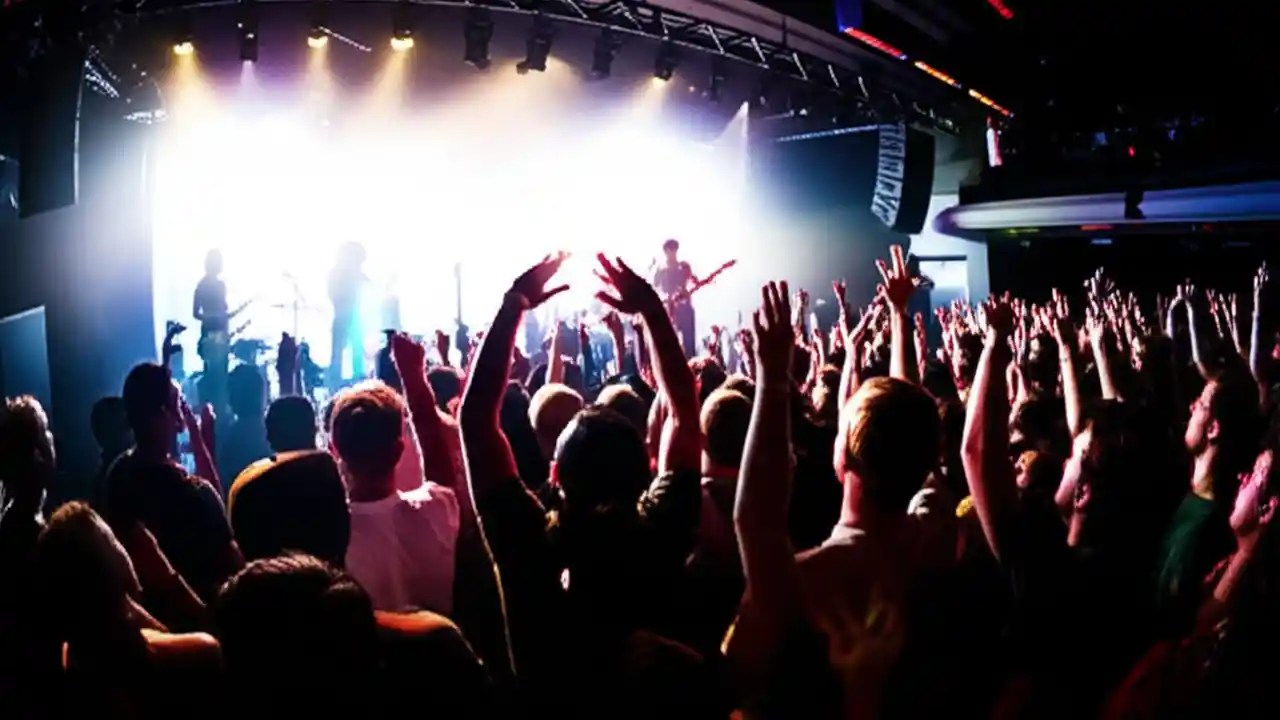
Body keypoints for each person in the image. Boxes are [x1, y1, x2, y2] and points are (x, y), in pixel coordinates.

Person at [727, 266, 948, 719]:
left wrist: (771, 375)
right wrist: (899, 315)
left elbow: (757, 523)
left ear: (844, 458)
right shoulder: (938, 537)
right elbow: (912, 429)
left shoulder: (812, 580)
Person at [32, 502, 223, 719]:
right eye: (113, 541)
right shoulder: (200, 654)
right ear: (111, 568)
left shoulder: (73, 655)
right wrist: (168, 578)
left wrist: (125, 598)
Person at [104, 363, 242, 604]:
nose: (181, 419)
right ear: (162, 414)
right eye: (177, 407)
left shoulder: (117, 474)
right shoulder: (193, 494)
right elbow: (232, 561)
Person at [331, 380, 459, 615]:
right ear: (400, 449)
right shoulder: (442, 506)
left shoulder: (330, 538)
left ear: (333, 449)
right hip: (444, 649)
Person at [328, 242, 370, 389]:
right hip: (343, 317)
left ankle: (358, 382)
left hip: (354, 318)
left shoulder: (356, 275)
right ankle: (335, 384)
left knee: (356, 354)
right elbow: (333, 295)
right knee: (338, 355)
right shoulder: (337, 274)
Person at [653, 239, 698, 358]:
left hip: (684, 306)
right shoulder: (661, 269)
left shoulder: (683, 266)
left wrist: (686, 290)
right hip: (668, 308)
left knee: (689, 342)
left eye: (675, 249)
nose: (673, 252)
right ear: (665, 251)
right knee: (669, 343)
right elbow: (655, 286)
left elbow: (694, 281)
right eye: (670, 249)